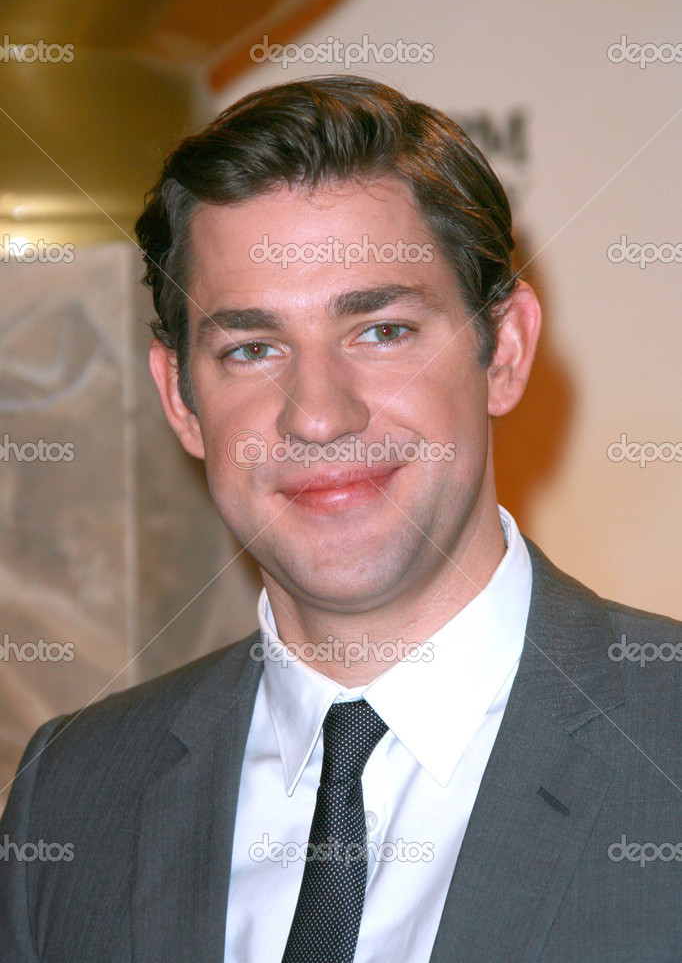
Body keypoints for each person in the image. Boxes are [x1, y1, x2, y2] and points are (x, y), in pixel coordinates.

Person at [1, 76, 680, 962]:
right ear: (180, 399)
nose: (317, 414)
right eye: (252, 348)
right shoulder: (72, 793)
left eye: (381, 330)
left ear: (503, 350)